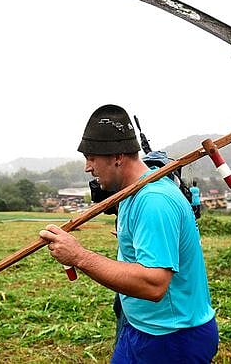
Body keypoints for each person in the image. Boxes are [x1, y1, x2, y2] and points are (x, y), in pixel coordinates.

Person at [39, 104, 218, 363]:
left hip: (172, 338)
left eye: (92, 157)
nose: (87, 167)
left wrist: (79, 256)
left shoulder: (153, 200)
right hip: (140, 328)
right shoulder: (130, 194)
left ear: (117, 157)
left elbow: (154, 284)